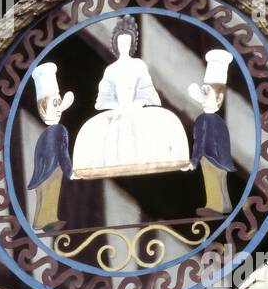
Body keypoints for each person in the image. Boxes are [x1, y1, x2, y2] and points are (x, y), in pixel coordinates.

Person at [71, 15, 191, 180]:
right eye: (121, 42)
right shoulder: (111, 70)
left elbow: (146, 88)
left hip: (137, 108)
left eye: (127, 42)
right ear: (116, 43)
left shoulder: (138, 65)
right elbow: (104, 96)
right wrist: (115, 106)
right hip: (117, 111)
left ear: (132, 44)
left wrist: (140, 102)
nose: (124, 45)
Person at [186, 49, 235, 216]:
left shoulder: (205, 120)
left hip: (211, 157)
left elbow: (200, 143)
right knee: (221, 183)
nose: (203, 97)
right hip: (221, 159)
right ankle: (225, 205)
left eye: (207, 93)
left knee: (213, 182)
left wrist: (194, 160)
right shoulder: (217, 121)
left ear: (220, 99)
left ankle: (215, 206)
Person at [26, 63, 74, 232]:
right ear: (43, 109)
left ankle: (43, 220)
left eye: (59, 102)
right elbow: (62, 153)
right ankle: (46, 221)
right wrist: (70, 172)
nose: (59, 107)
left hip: (46, 172)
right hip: (52, 171)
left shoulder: (46, 134)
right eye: (55, 103)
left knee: (46, 198)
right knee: (50, 196)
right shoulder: (58, 130)